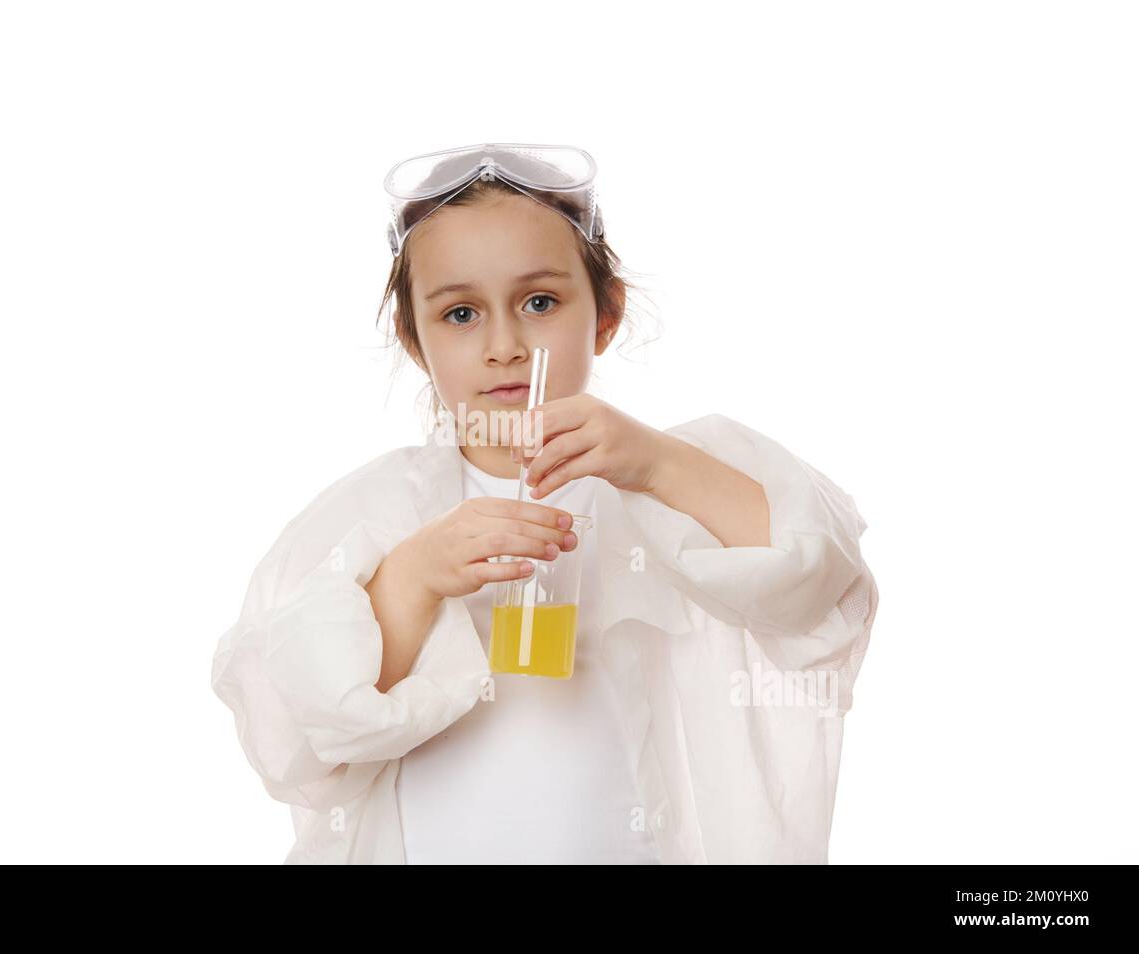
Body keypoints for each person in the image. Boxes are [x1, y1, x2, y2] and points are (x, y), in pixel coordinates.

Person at [210, 143, 879, 864]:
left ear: (605, 314)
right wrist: (413, 576)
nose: (505, 345)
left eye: (539, 302)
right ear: (413, 338)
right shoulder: (370, 513)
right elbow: (293, 736)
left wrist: (657, 464)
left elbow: (823, 593)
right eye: (460, 313)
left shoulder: (666, 480)